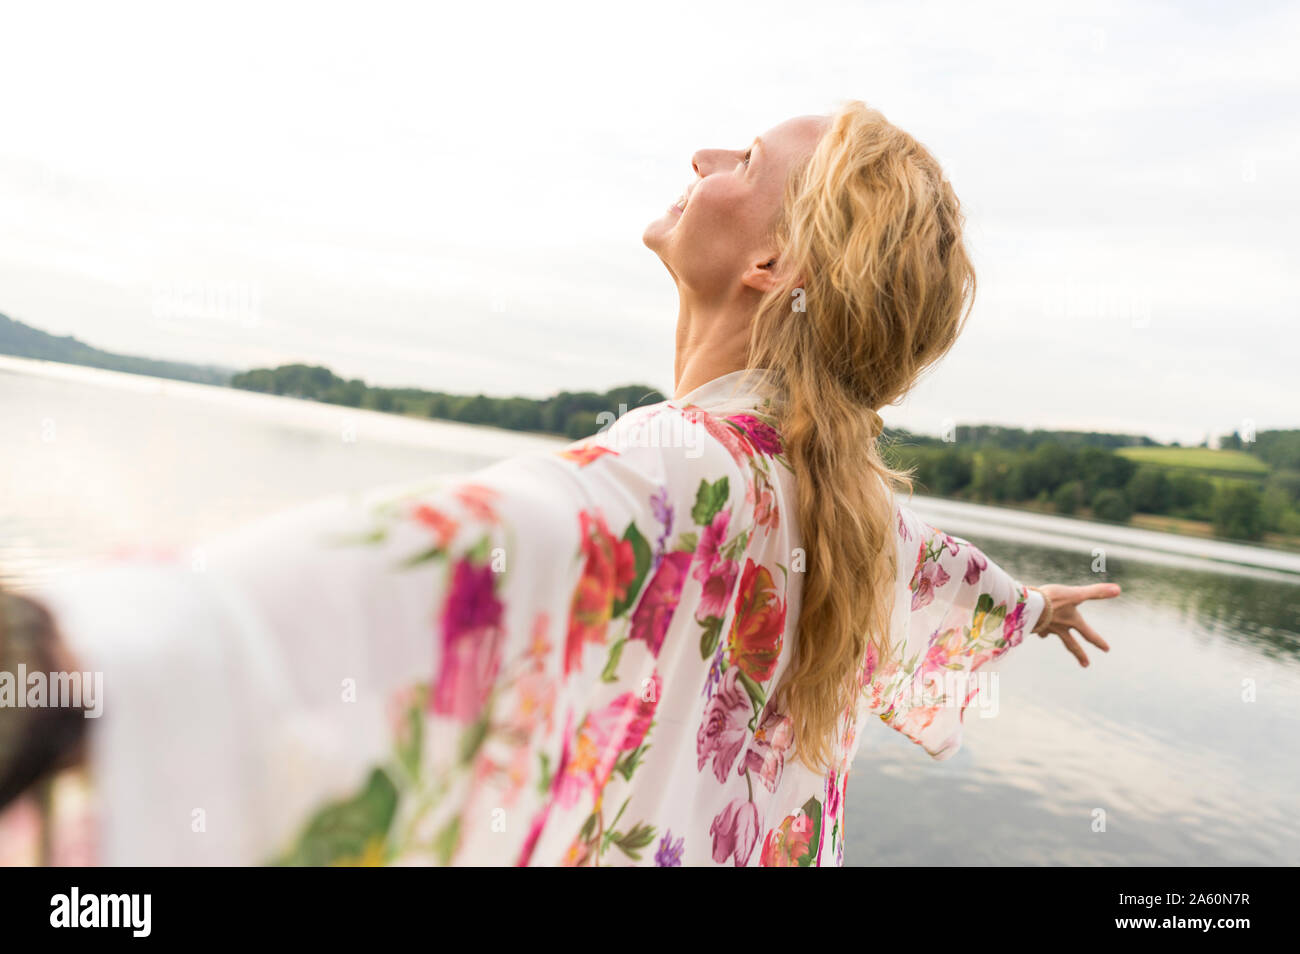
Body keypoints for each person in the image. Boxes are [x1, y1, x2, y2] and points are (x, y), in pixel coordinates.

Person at [0, 101, 1119, 866]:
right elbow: (939, 571)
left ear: (774, 265)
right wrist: (1027, 609)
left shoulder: (679, 468)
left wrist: (66, 656)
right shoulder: (847, 508)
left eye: (738, 162)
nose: (699, 161)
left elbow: (442, 563)